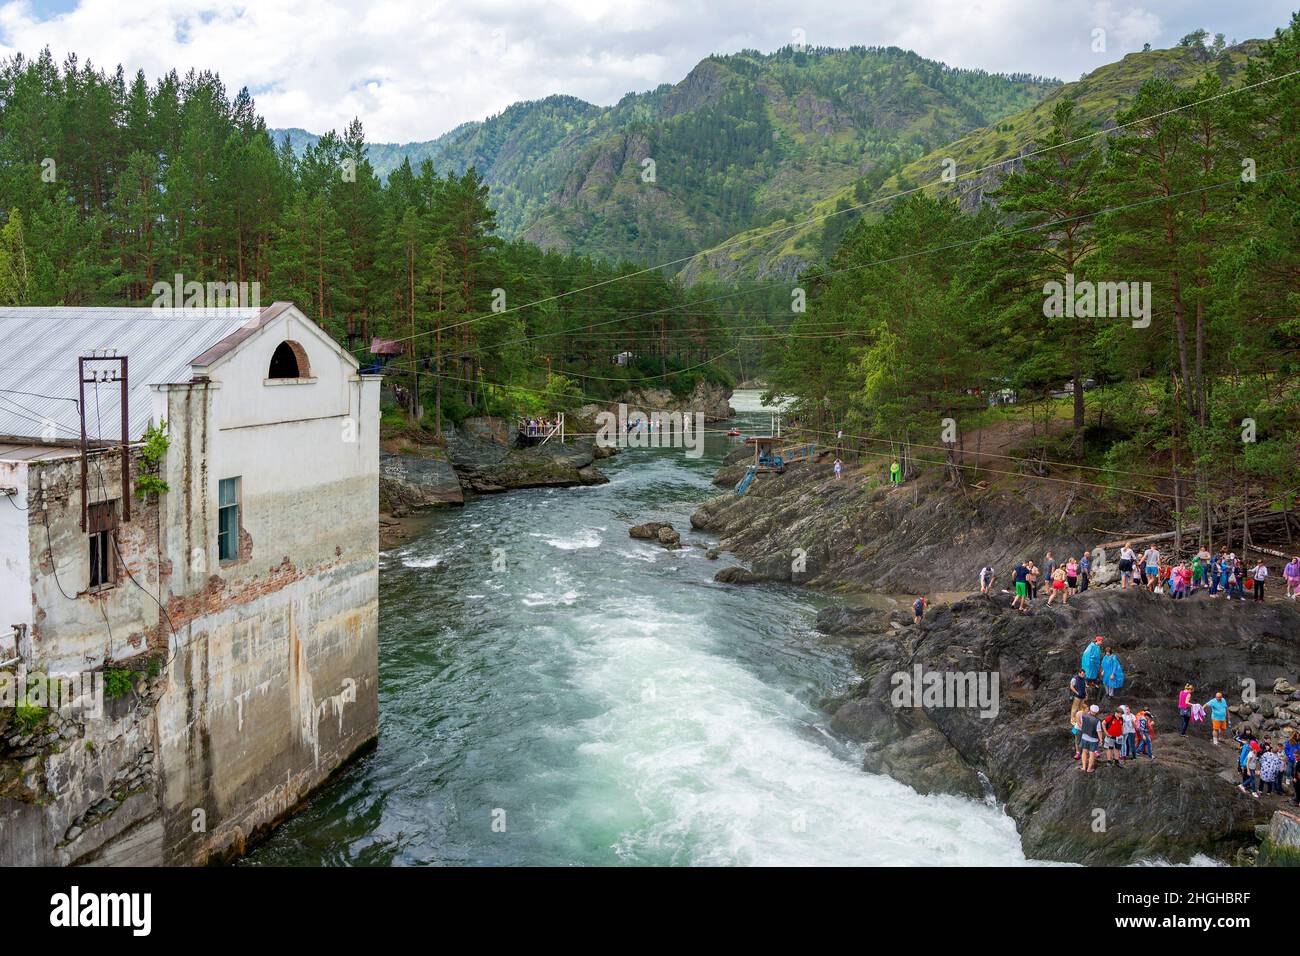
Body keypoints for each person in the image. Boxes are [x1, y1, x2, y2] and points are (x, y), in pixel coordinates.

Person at [1079, 705, 1102, 773]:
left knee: (1084, 752)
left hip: (1084, 736)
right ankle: (1089, 769)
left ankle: (1083, 767)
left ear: (1090, 710)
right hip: (1093, 739)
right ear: (1097, 712)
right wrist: (1101, 739)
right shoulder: (1097, 721)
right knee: (1092, 753)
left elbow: (1081, 724)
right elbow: (1099, 731)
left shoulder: (1084, 716)